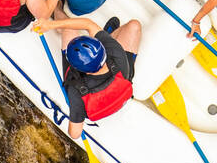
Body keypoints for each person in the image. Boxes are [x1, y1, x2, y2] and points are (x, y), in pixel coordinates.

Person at [35, 10, 141, 138]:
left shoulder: (76, 90)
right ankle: (107, 35)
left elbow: (75, 134)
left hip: (95, 100)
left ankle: (57, 10)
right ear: (103, 49)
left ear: (81, 70)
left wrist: (52, 24)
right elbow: (89, 24)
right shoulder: (115, 51)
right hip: (121, 79)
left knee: (69, 30)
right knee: (134, 26)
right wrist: (50, 25)